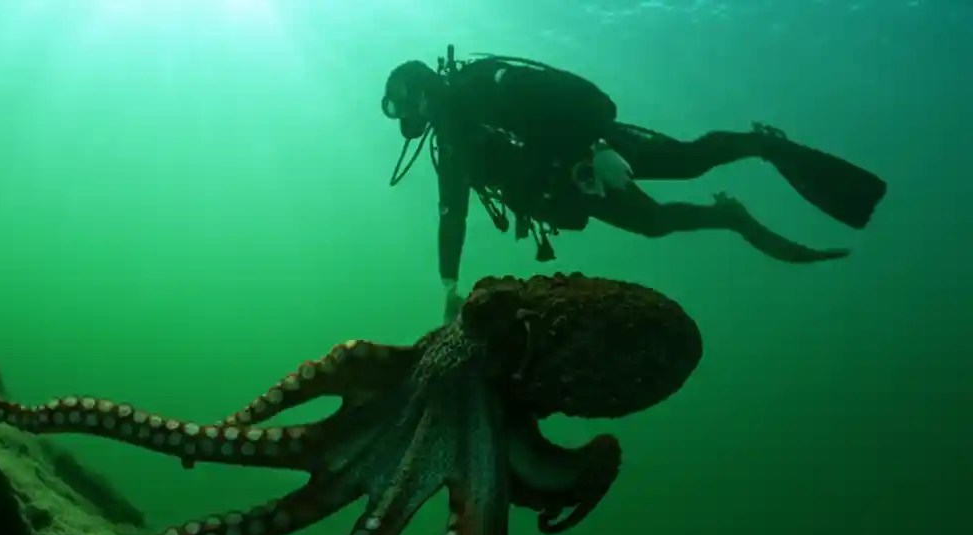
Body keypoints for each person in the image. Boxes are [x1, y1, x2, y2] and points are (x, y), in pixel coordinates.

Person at [380, 47, 889, 323]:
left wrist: (598, 146)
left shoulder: (485, 86)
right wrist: (449, 284)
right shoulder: (451, 145)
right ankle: (730, 217)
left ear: (425, 90)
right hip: (570, 188)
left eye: (408, 103)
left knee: (688, 163)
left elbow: (582, 100)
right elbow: (453, 213)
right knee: (652, 225)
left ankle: (761, 144)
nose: (410, 117)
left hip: (598, 149)